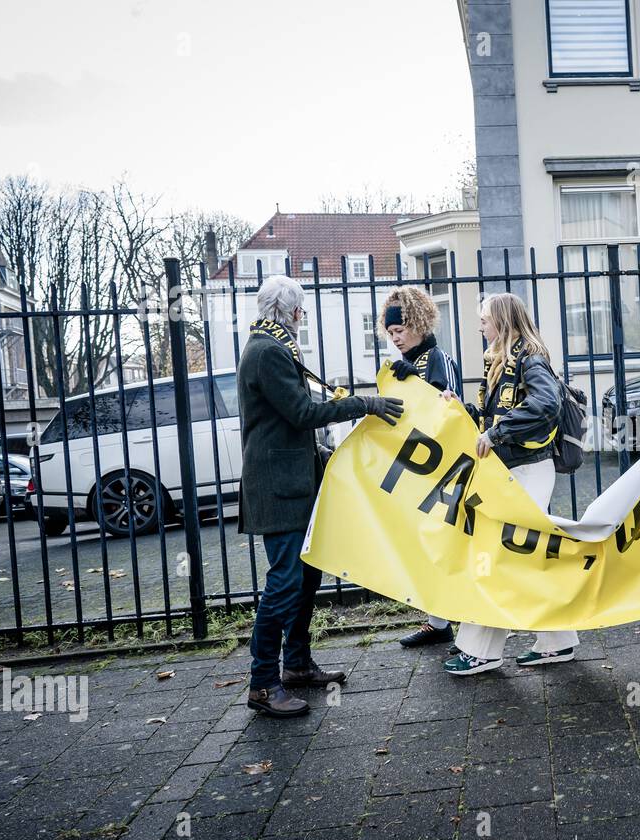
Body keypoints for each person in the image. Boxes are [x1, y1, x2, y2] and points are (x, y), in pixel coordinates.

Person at [239, 275, 404, 717]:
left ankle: (294, 666)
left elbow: (291, 419)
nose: (303, 316)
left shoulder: (273, 346)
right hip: (278, 487)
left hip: (294, 481)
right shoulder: (267, 352)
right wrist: (364, 405)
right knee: (285, 582)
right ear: (292, 312)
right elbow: (302, 412)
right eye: (301, 310)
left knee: (307, 576)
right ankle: (261, 683)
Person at [442, 292, 579, 676]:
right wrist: (460, 408)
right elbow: (492, 414)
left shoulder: (530, 358)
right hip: (517, 472)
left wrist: (499, 432)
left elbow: (546, 404)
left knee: (499, 556)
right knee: (527, 558)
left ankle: (482, 651)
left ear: (502, 321)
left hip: (526, 472)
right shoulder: (502, 359)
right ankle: (557, 641)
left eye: (484, 319)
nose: (480, 326)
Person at [378, 287, 463, 648]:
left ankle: (456, 618)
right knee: (425, 545)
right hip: (417, 469)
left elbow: (450, 414)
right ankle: (437, 621)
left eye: (399, 331)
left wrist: (419, 382)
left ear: (418, 323)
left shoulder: (437, 358)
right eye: (390, 333)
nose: (395, 339)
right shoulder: (406, 361)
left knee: (443, 544)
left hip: (441, 471)